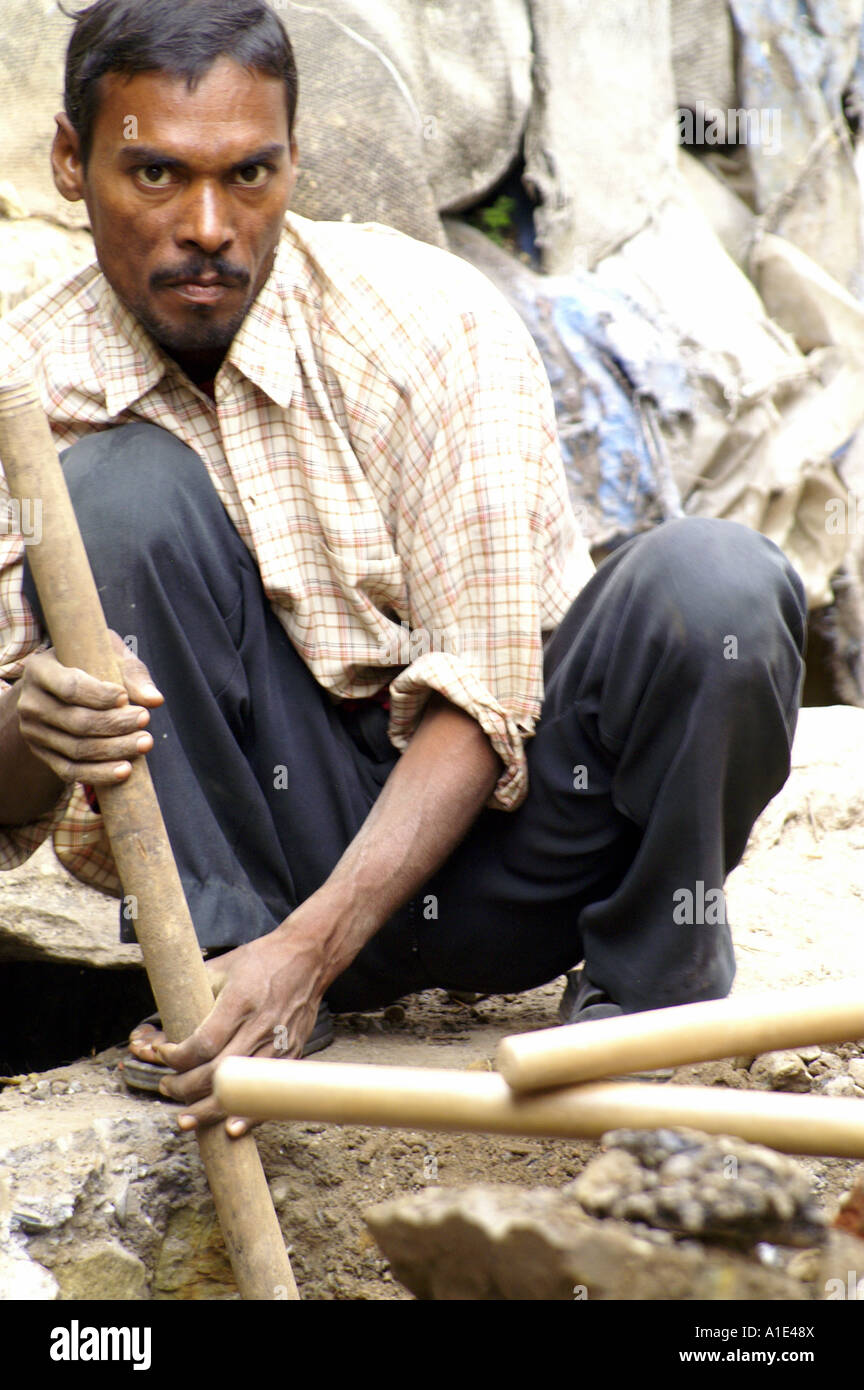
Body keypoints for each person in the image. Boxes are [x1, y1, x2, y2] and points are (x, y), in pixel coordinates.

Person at [0, 0, 806, 1135]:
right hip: (264, 882)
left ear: (296, 160)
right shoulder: (21, 388)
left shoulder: (425, 323)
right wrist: (35, 727)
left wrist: (314, 949)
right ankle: (230, 991)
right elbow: (5, 801)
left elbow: (487, 697)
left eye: (249, 174)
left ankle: (645, 1002)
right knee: (117, 497)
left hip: (519, 857)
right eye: (156, 175)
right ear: (70, 164)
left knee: (719, 586)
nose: (208, 225)